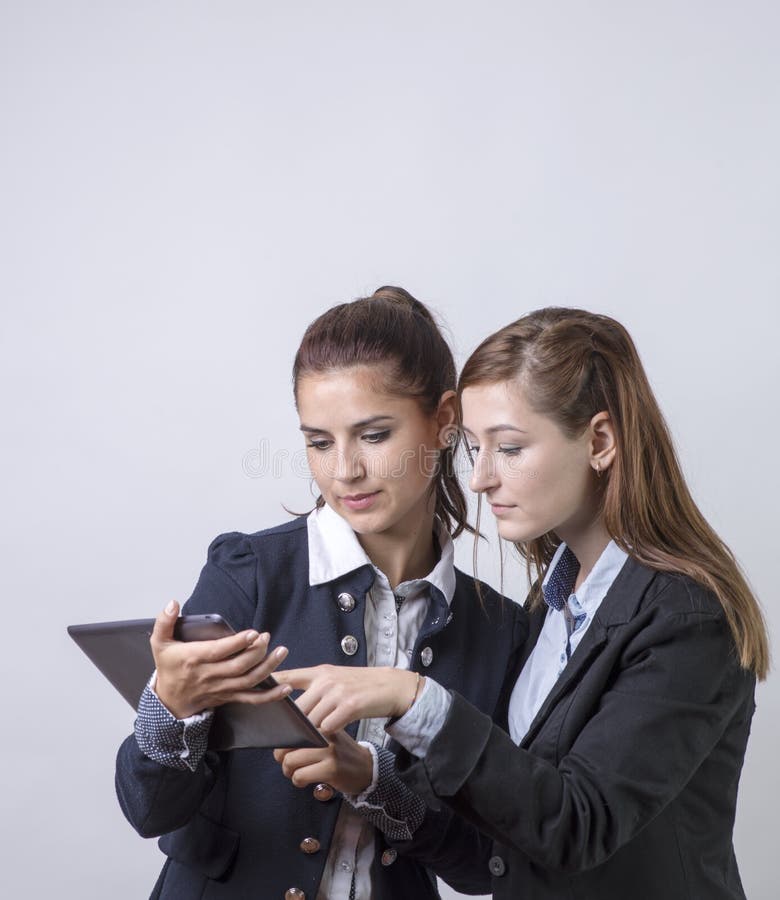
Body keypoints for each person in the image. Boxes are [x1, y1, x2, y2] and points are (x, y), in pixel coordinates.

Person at [275, 307, 769, 900]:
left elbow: (578, 825)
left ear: (601, 442)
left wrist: (414, 697)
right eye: (475, 449)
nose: (480, 479)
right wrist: (374, 778)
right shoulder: (547, 608)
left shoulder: (687, 616)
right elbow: (509, 834)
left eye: (508, 448)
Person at [114, 287, 526, 900]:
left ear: (444, 423)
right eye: (319, 441)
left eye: (374, 435)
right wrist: (169, 710)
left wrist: (376, 782)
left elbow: (487, 866)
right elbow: (150, 812)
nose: (344, 472)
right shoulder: (249, 573)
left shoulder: (499, 629)